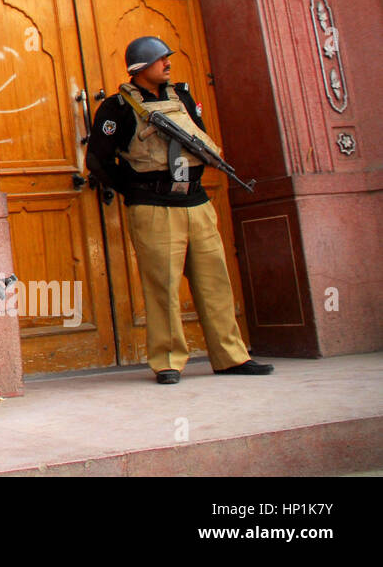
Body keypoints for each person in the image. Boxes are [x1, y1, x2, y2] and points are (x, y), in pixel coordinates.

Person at [86, 35, 273, 384]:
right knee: (163, 287)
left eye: (168, 58)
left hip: (197, 202)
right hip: (154, 206)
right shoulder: (117, 109)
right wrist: (135, 190)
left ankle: (231, 356)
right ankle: (168, 361)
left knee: (215, 283)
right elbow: (98, 160)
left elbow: (198, 142)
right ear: (141, 68)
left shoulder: (182, 97)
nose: (168, 64)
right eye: (160, 60)